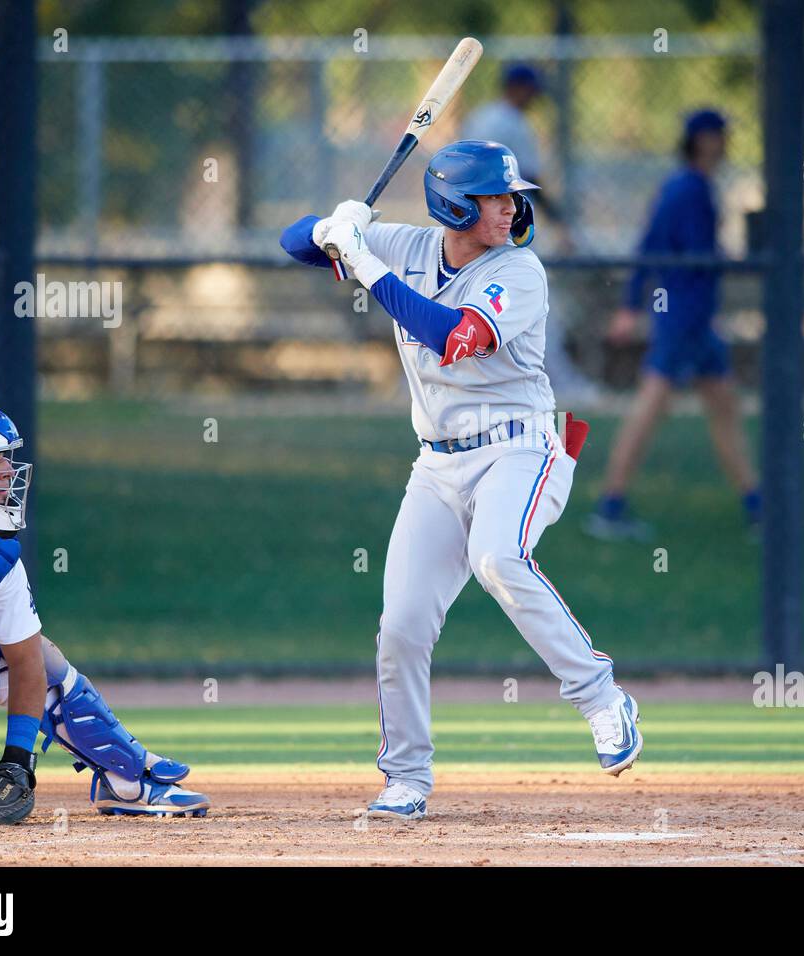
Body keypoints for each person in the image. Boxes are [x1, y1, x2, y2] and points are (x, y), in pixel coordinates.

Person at [280, 140, 642, 822]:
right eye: (492, 198)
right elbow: (290, 243)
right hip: (437, 464)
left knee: (497, 557)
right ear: (453, 204)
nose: (509, 208)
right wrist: (332, 228)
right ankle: (406, 777)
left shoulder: (521, 271)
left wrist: (362, 263)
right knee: (403, 625)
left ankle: (601, 697)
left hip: (521, 448)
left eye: (509, 196)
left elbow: (453, 336)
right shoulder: (408, 246)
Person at [0, 401, 209, 828]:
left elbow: (26, 664)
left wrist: (17, 764)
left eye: (7, 458)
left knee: (37, 658)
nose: (7, 471)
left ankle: (131, 782)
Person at [585, 110, 760, 542]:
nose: (723, 144)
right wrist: (630, 305)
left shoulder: (689, 186)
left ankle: (758, 506)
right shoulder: (687, 188)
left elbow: (664, 247)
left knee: (724, 407)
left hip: (697, 318)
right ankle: (610, 503)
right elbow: (666, 248)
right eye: (716, 136)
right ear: (701, 140)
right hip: (684, 317)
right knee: (651, 406)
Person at [463, 64, 597, 403]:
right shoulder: (513, 122)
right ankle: (555, 379)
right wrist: (560, 224)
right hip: (505, 223)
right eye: (531, 90)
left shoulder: (480, 116)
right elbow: (530, 182)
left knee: (471, 299)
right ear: (518, 88)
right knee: (535, 299)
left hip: (469, 222)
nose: (534, 98)